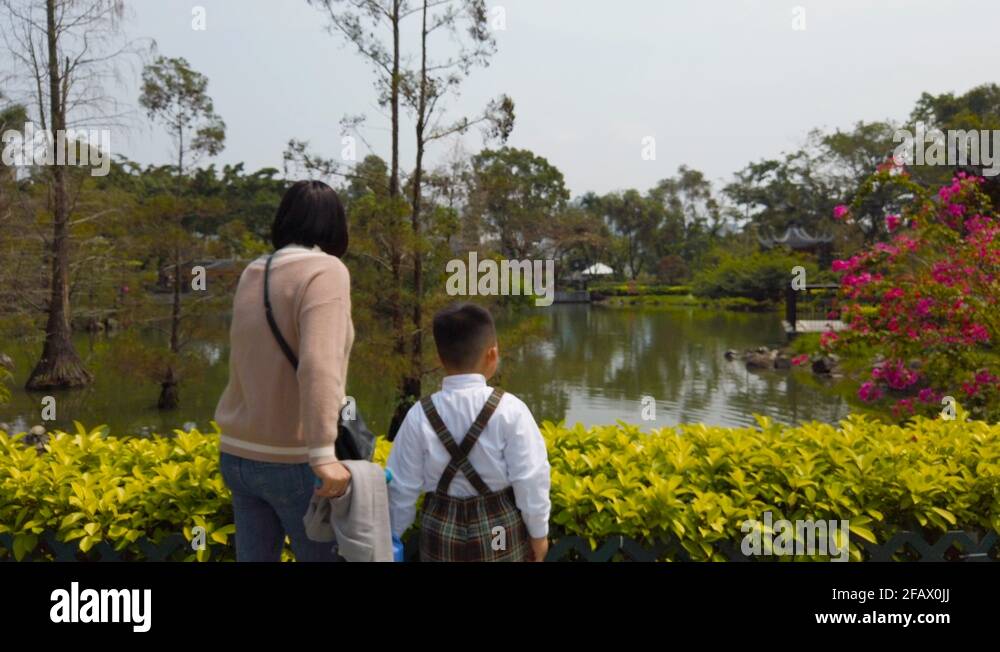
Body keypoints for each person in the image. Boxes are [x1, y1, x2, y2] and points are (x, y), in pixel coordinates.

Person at [215, 180, 354, 562]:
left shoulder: (254, 271)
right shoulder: (327, 270)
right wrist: (324, 453)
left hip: (238, 455)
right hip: (294, 460)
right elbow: (319, 365)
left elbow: (244, 359)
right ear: (335, 226)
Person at [386, 302, 551, 562]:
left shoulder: (419, 413)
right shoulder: (510, 409)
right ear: (492, 354)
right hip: (498, 529)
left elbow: (401, 488)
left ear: (440, 358)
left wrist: (392, 537)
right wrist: (539, 534)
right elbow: (531, 478)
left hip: (440, 527)